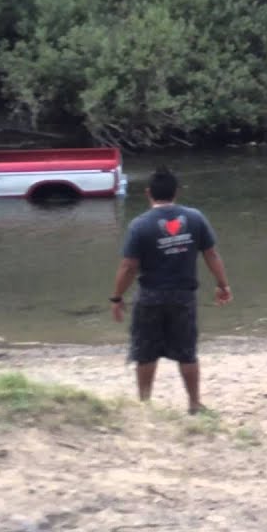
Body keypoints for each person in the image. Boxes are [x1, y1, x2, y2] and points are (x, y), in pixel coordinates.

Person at [111, 166, 232, 414]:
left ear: (148, 193)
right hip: (184, 296)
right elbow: (211, 254)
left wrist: (117, 297)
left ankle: (144, 404)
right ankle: (194, 404)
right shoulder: (195, 218)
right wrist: (222, 285)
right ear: (177, 191)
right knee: (187, 352)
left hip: (150, 295)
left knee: (146, 352)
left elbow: (129, 266)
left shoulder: (139, 225)